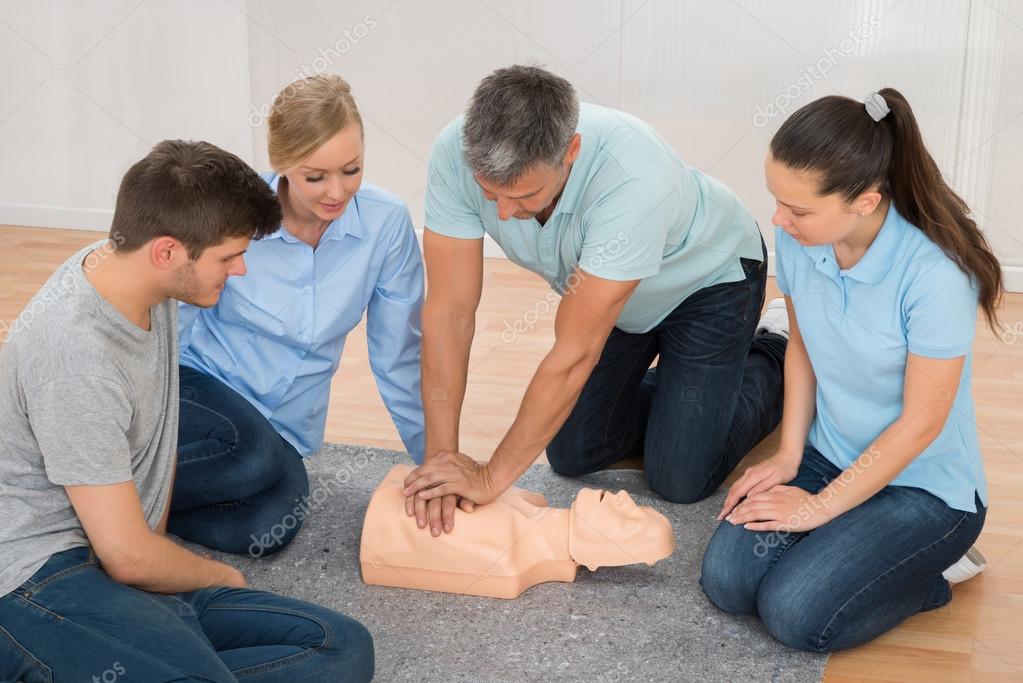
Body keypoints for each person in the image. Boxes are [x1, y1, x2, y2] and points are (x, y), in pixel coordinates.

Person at [0, 140, 374, 680]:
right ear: (167, 251)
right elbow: (127, 554)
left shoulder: (141, 281)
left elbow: (139, 525)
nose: (241, 269)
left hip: (114, 569)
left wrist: (169, 573)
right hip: (36, 580)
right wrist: (219, 577)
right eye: (228, 256)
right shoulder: (75, 353)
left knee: (341, 647)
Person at [402, 65, 788, 536]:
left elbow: (574, 353)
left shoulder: (633, 176)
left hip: (710, 282)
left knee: (681, 476)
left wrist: (489, 476)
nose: (503, 213)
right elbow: (449, 315)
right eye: (489, 193)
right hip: (618, 303)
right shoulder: (453, 153)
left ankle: (773, 348)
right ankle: (687, 396)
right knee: (573, 452)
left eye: (524, 194)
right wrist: (442, 460)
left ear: (571, 152)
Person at [700, 89, 1001, 652]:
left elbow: (921, 425)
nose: (778, 219)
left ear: (864, 201)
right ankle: (852, 541)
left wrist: (816, 508)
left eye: (799, 209)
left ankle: (926, 580)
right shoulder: (801, 241)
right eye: (776, 200)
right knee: (729, 583)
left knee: (796, 616)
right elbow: (802, 347)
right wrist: (789, 455)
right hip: (829, 454)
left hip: (925, 487)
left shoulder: (935, 275)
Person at [172, 74, 425, 556]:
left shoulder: (386, 224)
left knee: (265, 530)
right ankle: (98, 497)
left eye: (351, 170)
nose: (337, 191)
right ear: (282, 164)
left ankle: (131, 508)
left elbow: (399, 355)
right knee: (248, 461)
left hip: (285, 427)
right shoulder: (232, 217)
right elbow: (173, 318)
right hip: (202, 388)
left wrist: (434, 460)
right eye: (315, 176)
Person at [362, 465, 674, 598]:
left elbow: (414, 536)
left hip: (385, 521)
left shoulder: (508, 562)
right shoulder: (530, 500)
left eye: (631, 518)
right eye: (636, 504)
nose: (622, 497)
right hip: (398, 486)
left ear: (600, 553)